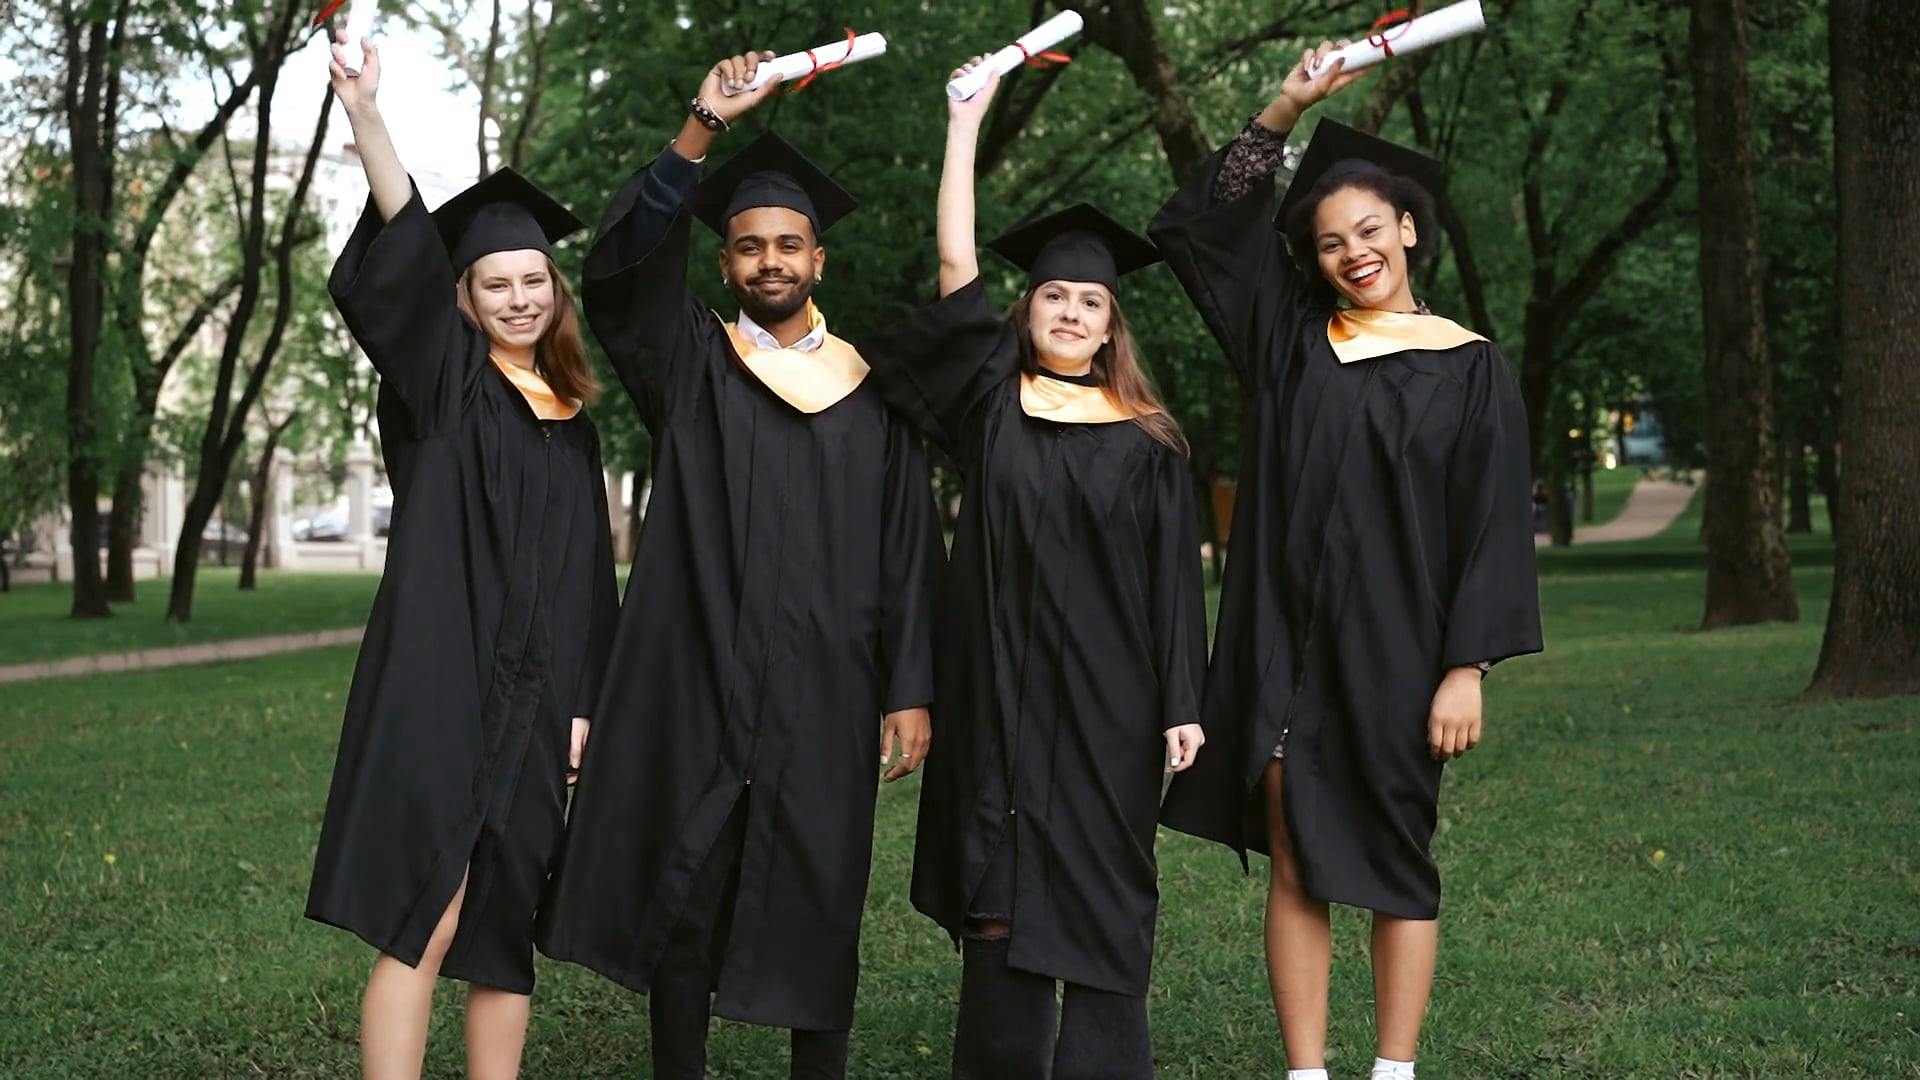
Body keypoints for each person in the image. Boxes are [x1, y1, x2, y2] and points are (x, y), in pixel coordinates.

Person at [533, 50, 942, 1080]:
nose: (769, 261)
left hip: (829, 686)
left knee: (819, 890)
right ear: (724, 265)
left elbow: (907, 549)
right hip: (698, 679)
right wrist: (699, 125)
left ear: (819, 260)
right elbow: (621, 271)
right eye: (749, 246)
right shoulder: (693, 363)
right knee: (688, 886)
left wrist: (909, 691)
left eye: (788, 245)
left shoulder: (873, 394)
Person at [1147, 42, 1544, 1080]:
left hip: (1404, 651)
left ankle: (1395, 1068)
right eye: (1328, 243)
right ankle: (1307, 1071)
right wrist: (1286, 104)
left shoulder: (1471, 367)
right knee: (1293, 852)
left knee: (1400, 860)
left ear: (1408, 230)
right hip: (1284, 642)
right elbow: (1198, 227)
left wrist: (1468, 666)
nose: (1352, 254)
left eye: (1370, 231)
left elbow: (1492, 526)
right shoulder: (1289, 340)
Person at [863, 59, 1207, 1080]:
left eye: (1088, 301)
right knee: (1001, 897)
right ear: (1032, 311)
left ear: (1111, 325)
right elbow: (956, 270)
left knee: (1103, 893)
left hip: (1110, 706)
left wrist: (1181, 702)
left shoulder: (1149, 443)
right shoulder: (991, 406)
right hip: (998, 700)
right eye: (1053, 294)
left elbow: (1173, 592)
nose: (1067, 311)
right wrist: (965, 121)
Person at [304, 30, 617, 1080]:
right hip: (442, 691)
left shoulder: (575, 423)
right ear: (467, 298)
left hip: (535, 708)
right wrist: (367, 117)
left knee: (504, 927)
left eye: (535, 280)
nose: (520, 297)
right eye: (495, 283)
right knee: (427, 918)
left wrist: (582, 703)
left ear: (554, 292)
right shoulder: (444, 386)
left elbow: (586, 582)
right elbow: (404, 238)